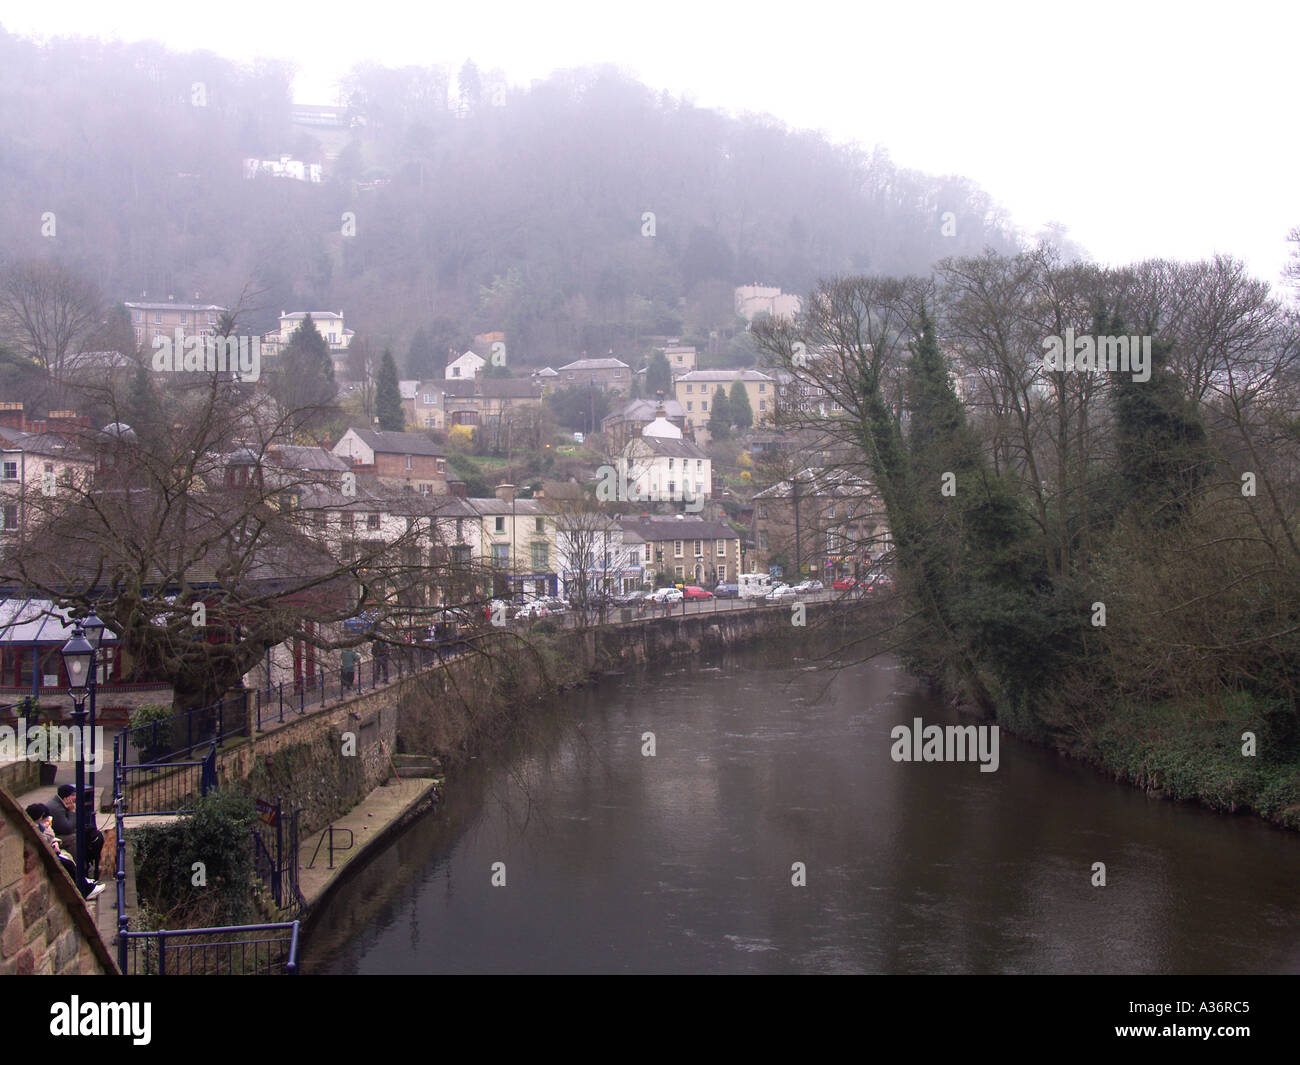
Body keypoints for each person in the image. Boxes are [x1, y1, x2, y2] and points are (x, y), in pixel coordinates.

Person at [26, 804, 103, 899]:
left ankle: (85, 883)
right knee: (67, 862)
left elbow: (50, 837)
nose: (47, 820)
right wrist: (71, 812)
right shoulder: (39, 825)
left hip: (51, 849)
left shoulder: (41, 826)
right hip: (46, 854)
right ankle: (85, 889)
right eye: (43, 818)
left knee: (68, 860)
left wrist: (53, 841)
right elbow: (67, 827)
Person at [47, 784, 105, 880]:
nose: (75, 797)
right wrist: (72, 811)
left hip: (60, 833)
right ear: (66, 797)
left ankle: (90, 864)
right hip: (56, 836)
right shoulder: (56, 808)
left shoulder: (61, 804)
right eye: (73, 795)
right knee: (75, 839)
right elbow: (68, 828)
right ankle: (81, 869)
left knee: (92, 834)